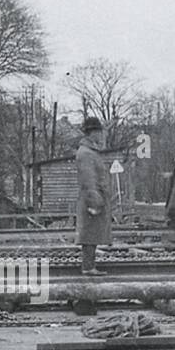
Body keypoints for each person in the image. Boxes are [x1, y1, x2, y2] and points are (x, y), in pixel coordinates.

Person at [75, 116, 111, 276]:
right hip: (91, 198)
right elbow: (88, 178)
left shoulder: (89, 151)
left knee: (92, 233)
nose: (100, 135)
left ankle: (89, 266)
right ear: (92, 133)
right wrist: (94, 199)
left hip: (93, 197)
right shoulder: (86, 153)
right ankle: (88, 267)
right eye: (99, 132)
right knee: (89, 234)